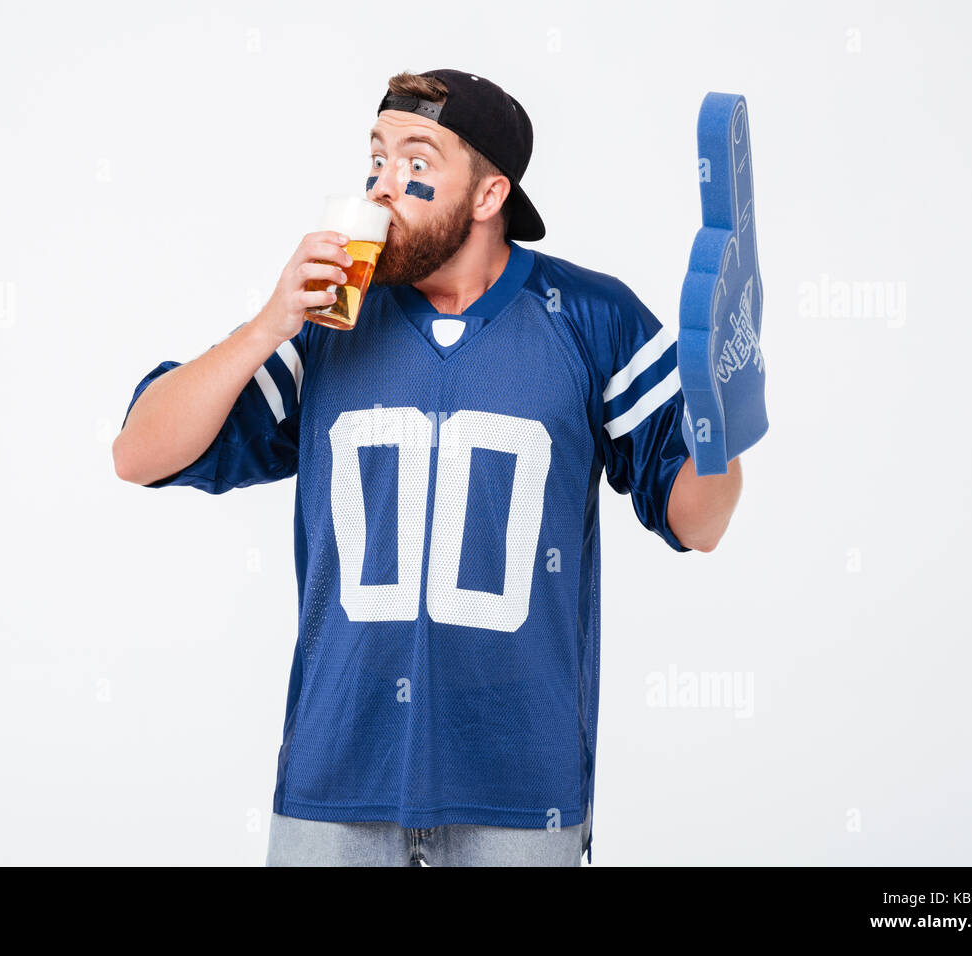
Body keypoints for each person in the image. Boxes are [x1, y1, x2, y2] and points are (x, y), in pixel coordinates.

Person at [113, 68, 744, 866]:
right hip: (336, 778)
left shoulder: (592, 318)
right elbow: (138, 453)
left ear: (488, 196)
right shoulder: (323, 321)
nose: (381, 186)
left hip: (519, 788)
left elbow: (699, 519)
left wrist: (728, 415)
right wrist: (268, 323)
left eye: (416, 164)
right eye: (375, 160)